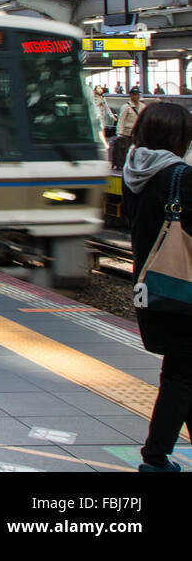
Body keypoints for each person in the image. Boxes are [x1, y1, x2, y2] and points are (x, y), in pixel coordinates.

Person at [122, 101, 192, 471]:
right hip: (183, 289)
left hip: (151, 286)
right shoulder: (180, 176)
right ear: (178, 137)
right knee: (181, 373)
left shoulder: (135, 172)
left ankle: (157, 453)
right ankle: (155, 456)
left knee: (183, 369)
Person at [114, 85, 145, 168]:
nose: (137, 96)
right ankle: (124, 164)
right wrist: (119, 133)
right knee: (126, 150)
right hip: (127, 133)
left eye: (138, 94)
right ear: (130, 95)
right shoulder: (126, 107)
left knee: (138, 150)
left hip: (138, 133)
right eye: (135, 94)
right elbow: (121, 120)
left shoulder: (142, 106)